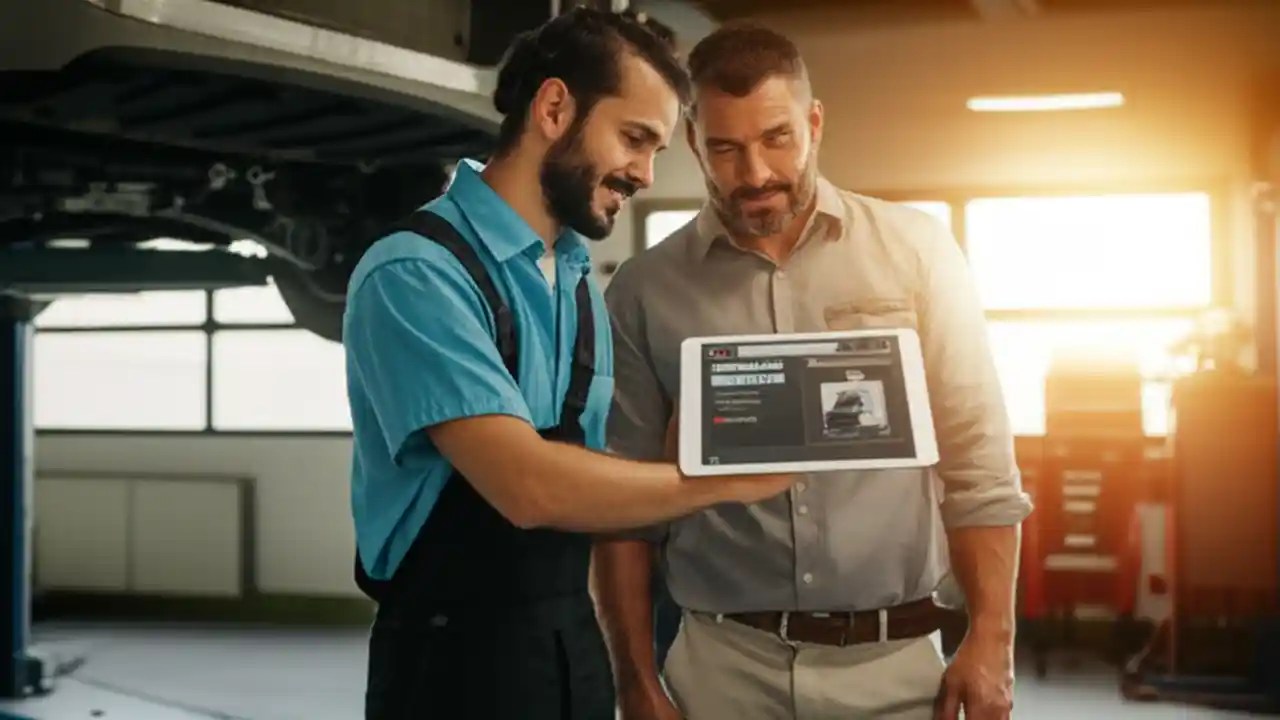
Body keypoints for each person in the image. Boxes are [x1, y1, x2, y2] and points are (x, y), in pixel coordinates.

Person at [341, 10, 795, 720]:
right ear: (554, 108)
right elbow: (528, 485)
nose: (646, 173)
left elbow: (598, 480)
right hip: (453, 666)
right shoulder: (415, 274)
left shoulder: (578, 279)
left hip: (570, 649)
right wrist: (719, 481)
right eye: (635, 139)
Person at [594, 22, 1034, 720]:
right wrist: (634, 681)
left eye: (777, 139)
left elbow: (980, 464)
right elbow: (619, 507)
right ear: (693, 144)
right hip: (719, 667)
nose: (756, 174)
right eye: (726, 149)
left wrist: (992, 640)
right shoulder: (644, 292)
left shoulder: (917, 253)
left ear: (815, 123)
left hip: (894, 665)